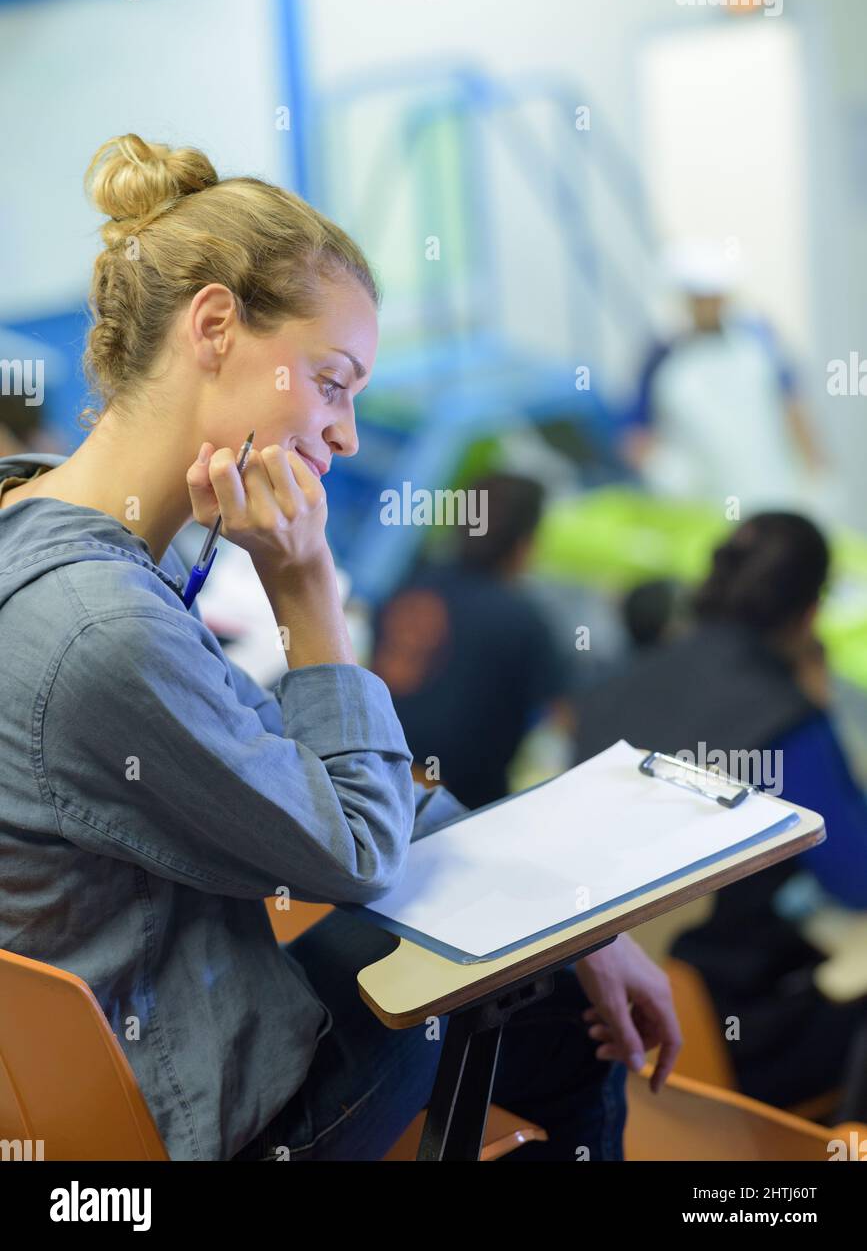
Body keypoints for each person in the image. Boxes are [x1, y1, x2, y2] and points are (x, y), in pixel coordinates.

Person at [0, 133, 679, 1161]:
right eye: (332, 381)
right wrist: (309, 596)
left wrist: (580, 919)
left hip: (95, 1067)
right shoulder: (106, 627)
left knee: (525, 957)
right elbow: (356, 851)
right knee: (533, 1006)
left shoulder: (37, 520)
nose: (348, 433)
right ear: (215, 326)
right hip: (199, 1114)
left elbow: (276, 750)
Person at [574, 512, 867, 1115]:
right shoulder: (783, 716)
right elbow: (857, 879)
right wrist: (820, 705)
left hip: (593, 1027)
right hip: (720, 1034)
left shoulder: (613, 688)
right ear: (810, 614)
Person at [371, 472, 575, 810]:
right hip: (456, 807)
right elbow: (566, 720)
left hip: (369, 773)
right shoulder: (523, 620)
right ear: (525, 545)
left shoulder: (410, 582)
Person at [622, 240, 826, 516]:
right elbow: (636, 434)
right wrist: (664, 469)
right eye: (699, 298)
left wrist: (817, 473)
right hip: (698, 501)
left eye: (714, 297)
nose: (708, 306)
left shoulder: (758, 341)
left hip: (771, 489)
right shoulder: (662, 355)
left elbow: (793, 406)